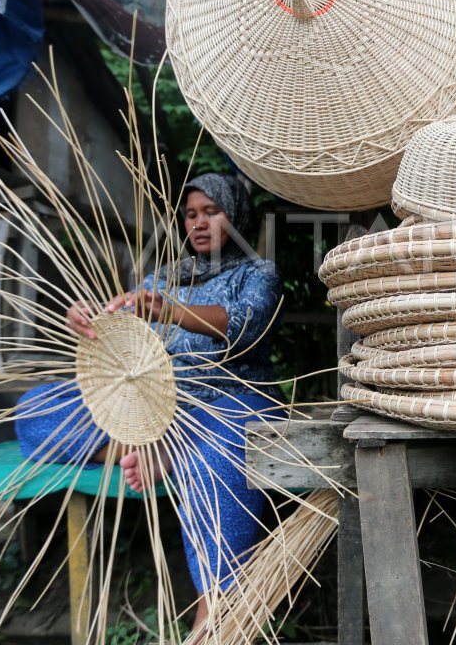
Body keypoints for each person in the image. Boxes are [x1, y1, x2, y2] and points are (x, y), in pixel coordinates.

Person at [15, 172, 283, 630]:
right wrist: (88, 320)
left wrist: (169, 310)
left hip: (232, 398)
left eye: (211, 212)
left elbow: (245, 325)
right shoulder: (162, 278)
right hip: (159, 402)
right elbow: (126, 342)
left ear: (236, 216)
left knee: (216, 461)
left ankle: (213, 611)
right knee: (36, 409)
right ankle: (153, 445)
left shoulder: (258, 274)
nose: (198, 223)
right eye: (191, 215)